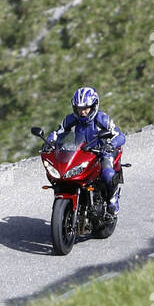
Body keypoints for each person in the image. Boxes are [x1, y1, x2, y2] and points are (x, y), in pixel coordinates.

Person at [49, 86, 126, 215]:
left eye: (86, 108)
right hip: (80, 153)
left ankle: (113, 199)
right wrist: (49, 142)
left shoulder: (102, 119)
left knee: (107, 173)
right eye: (79, 108)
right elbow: (58, 133)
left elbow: (120, 135)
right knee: (60, 173)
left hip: (101, 152)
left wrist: (110, 144)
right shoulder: (70, 119)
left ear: (94, 106)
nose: (82, 112)